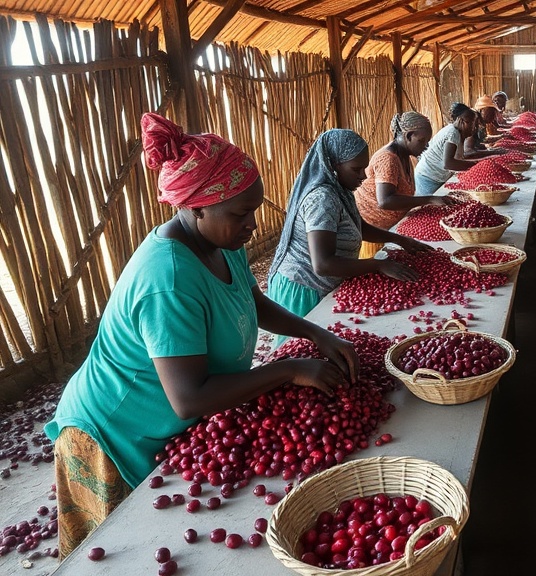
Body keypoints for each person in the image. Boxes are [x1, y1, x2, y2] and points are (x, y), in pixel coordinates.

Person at [43, 113, 359, 558]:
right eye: (241, 213)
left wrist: (314, 332)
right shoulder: (169, 278)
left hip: (168, 422)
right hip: (115, 430)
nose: (252, 223)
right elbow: (189, 398)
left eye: (253, 209)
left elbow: (254, 303)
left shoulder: (222, 242)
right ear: (196, 207)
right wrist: (289, 369)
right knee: (123, 554)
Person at [267, 129, 429, 319]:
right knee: (305, 345)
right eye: (356, 169)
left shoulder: (341, 190)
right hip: (304, 287)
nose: (364, 176)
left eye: (364, 168)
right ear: (334, 166)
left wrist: (399, 239)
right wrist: (378, 265)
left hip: (324, 282)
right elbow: (323, 264)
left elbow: (359, 227)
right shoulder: (322, 199)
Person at [355, 111, 456, 257]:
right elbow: (385, 201)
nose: (426, 146)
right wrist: (429, 199)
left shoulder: (404, 155)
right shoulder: (388, 159)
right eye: (422, 140)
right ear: (409, 136)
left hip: (392, 228)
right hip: (373, 232)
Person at [413, 103, 481, 196]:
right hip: (428, 177)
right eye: (470, 122)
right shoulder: (452, 133)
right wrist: (475, 166)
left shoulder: (459, 133)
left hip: (437, 176)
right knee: (430, 207)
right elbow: (449, 163)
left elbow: (458, 158)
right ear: (460, 120)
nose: (473, 126)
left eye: (474, 122)